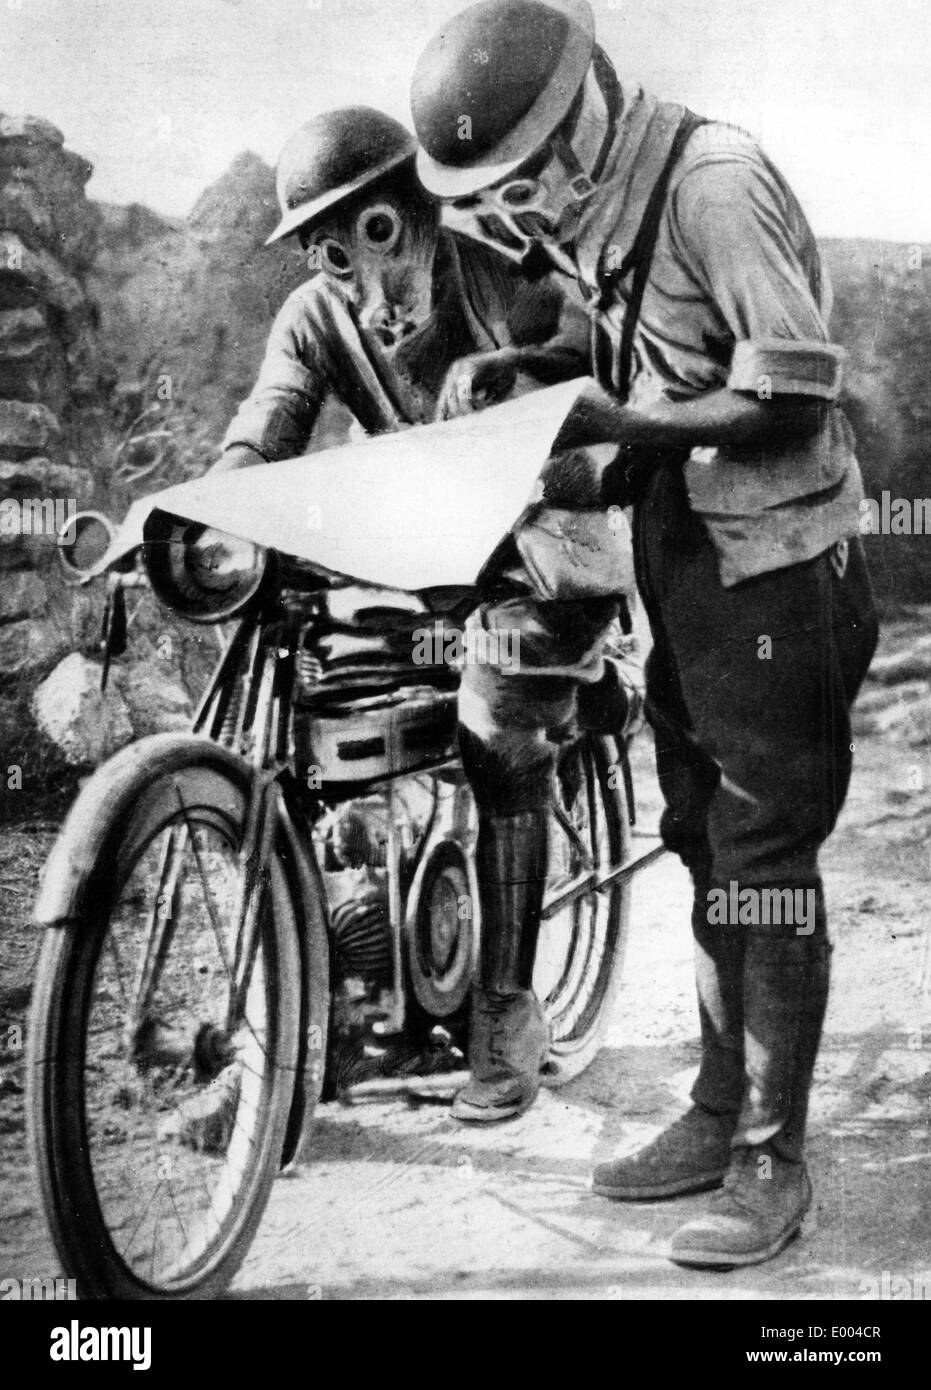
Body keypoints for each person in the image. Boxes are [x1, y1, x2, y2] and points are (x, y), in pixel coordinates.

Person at [410, 0, 878, 1266]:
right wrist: (543, 383)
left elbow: (790, 391)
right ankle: (718, 1114)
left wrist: (616, 432)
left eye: (524, 180)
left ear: (582, 120)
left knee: (765, 859)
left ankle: (775, 1162)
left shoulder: (710, 184)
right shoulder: (602, 195)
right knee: (703, 839)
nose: (521, 213)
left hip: (775, 578)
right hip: (684, 557)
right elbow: (619, 342)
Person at [213, 104, 642, 1127]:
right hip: (428, 561)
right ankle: (274, 1028)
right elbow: (270, 416)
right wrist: (229, 494)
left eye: (375, 234)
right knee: (273, 715)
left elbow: (598, 365)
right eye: (328, 251)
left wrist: (519, 380)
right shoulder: (314, 316)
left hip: (544, 545)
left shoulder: (507, 265)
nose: (361, 276)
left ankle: (503, 1013)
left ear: (413, 208)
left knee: (496, 727)